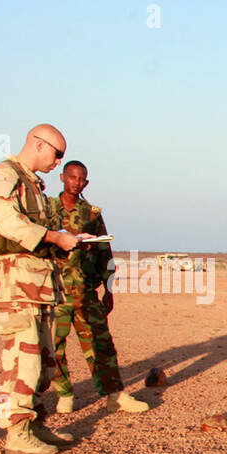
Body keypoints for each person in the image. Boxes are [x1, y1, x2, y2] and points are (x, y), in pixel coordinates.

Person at [0, 124, 84, 454]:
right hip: (15, 284)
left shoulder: (34, 185)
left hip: (38, 285)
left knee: (43, 360)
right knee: (22, 360)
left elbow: (35, 231)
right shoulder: (6, 174)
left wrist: (65, 242)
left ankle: (36, 424)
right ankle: (18, 431)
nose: (58, 164)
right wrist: (55, 237)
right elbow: (7, 223)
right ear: (39, 145)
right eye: (57, 155)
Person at [48, 161, 148, 415]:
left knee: (101, 343)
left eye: (82, 179)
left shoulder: (91, 214)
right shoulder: (47, 210)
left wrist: (109, 288)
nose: (77, 183)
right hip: (55, 290)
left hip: (86, 290)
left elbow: (105, 252)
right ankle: (64, 393)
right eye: (72, 177)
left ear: (86, 183)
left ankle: (114, 394)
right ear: (62, 177)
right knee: (53, 344)